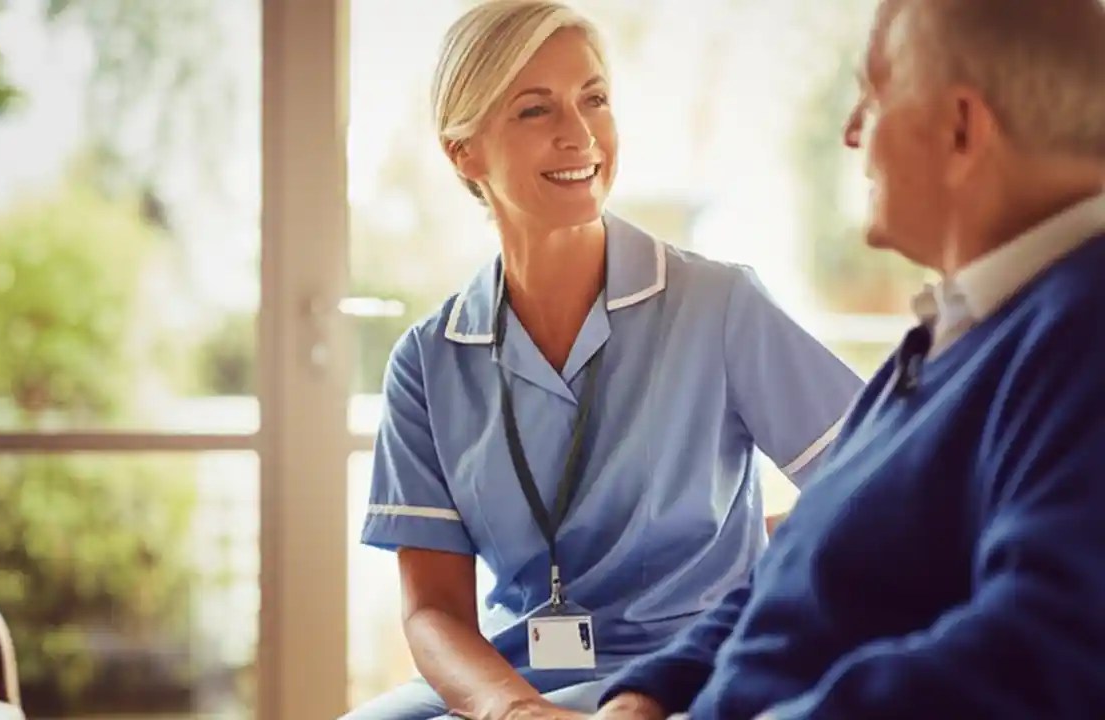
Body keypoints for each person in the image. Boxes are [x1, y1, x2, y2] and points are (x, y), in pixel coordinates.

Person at [343, 2, 863, 719]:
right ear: (464, 151)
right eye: (535, 110)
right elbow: (433, 611)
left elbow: (875, 480)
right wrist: (515, 711)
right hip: (512, 681)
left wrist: (761, 573)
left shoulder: (719, 305)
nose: (579, 133)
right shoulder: (427, 362)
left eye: (594, 99)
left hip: (692, 674)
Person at [591, 0, 1105, 718]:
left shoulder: (1082, 340)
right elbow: (795, 564)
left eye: (875, 93)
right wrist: (651, 689)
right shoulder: (950, 334)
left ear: (960, 129)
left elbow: (1040, 655)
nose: (853, 131)